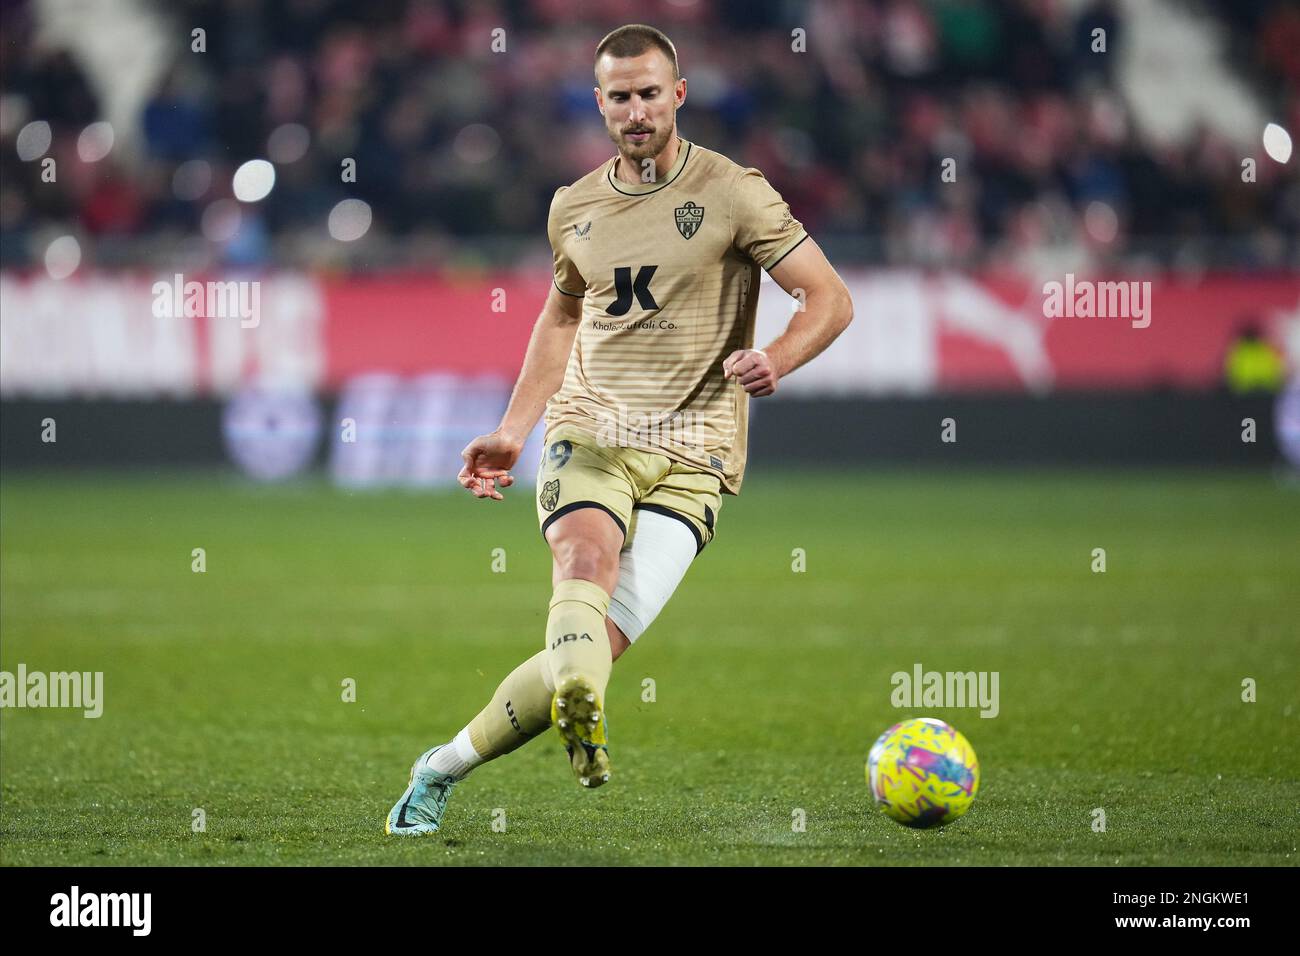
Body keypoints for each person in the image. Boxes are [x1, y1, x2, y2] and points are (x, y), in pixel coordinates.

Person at [387, 23, 854, 835]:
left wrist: (777, 357)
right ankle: (577, 694)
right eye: (619, 96)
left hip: (696, 455)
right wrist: (512, 429)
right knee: (584, 555)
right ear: (599, 103)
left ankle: (443, 765)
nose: (635, 110)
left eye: (649, 93)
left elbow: (830, 299)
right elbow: (561, 319)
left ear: (677, 95)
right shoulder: (574, 207)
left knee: (592, 649)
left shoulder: (735, 191)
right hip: (591, 428)